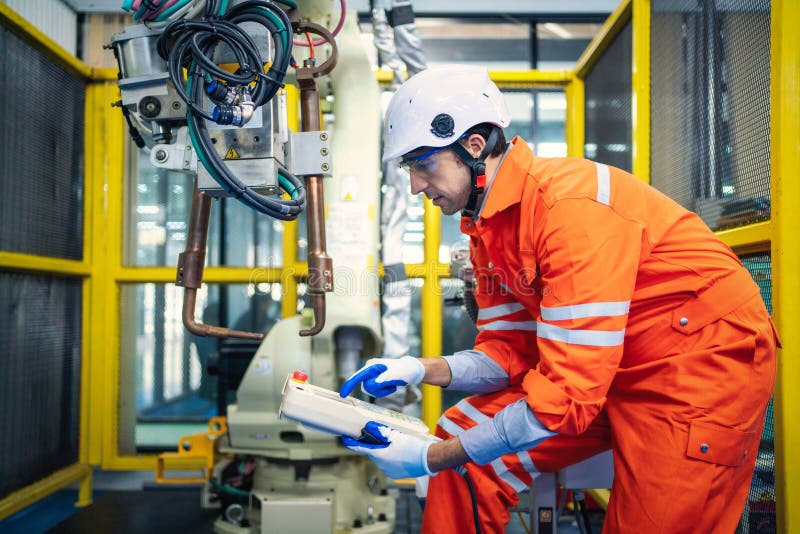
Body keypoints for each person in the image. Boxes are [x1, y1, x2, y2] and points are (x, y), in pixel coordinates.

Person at [339, 65, 778, 533]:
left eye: (423, 164)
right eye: (409, 169)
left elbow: (565, 399)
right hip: (608, 371)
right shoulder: (487, 229)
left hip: (696, 368)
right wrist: (419, 368)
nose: (415, 186)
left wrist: (430, 456)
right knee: (460, 444)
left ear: (473, 147)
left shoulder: (567, 211)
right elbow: (509, 353)